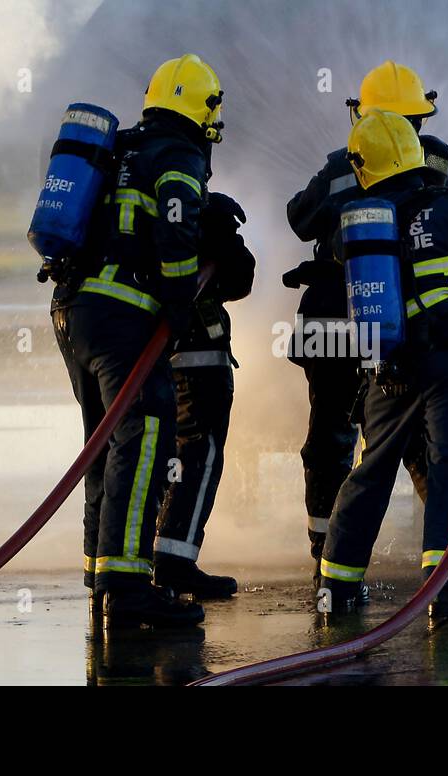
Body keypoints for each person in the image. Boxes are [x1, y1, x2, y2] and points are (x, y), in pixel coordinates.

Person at [285, 61, 448, 597]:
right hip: (431, 349)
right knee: (445, 458)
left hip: (357, 336)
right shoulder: (437, 180)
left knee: (351, 453)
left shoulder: (347, 181)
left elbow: (300, 220)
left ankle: (333, 576)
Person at [51, 53, 223, 628]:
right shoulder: (178, 155)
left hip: (73, 313)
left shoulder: (119, 146)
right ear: (199, 107)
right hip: (122, 319)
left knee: (105, 441)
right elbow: (175, 238)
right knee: (145, 436)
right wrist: (178, 307)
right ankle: (126, 590)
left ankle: (100, 573)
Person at [153, 191, 255, 598]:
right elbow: (242, 277)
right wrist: (224, 233)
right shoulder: (196, 214)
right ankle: (175, 562)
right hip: (195, 359)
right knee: (201, 452)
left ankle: (137, 564)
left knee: (159, 457)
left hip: (158, 357)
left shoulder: (151, 213)